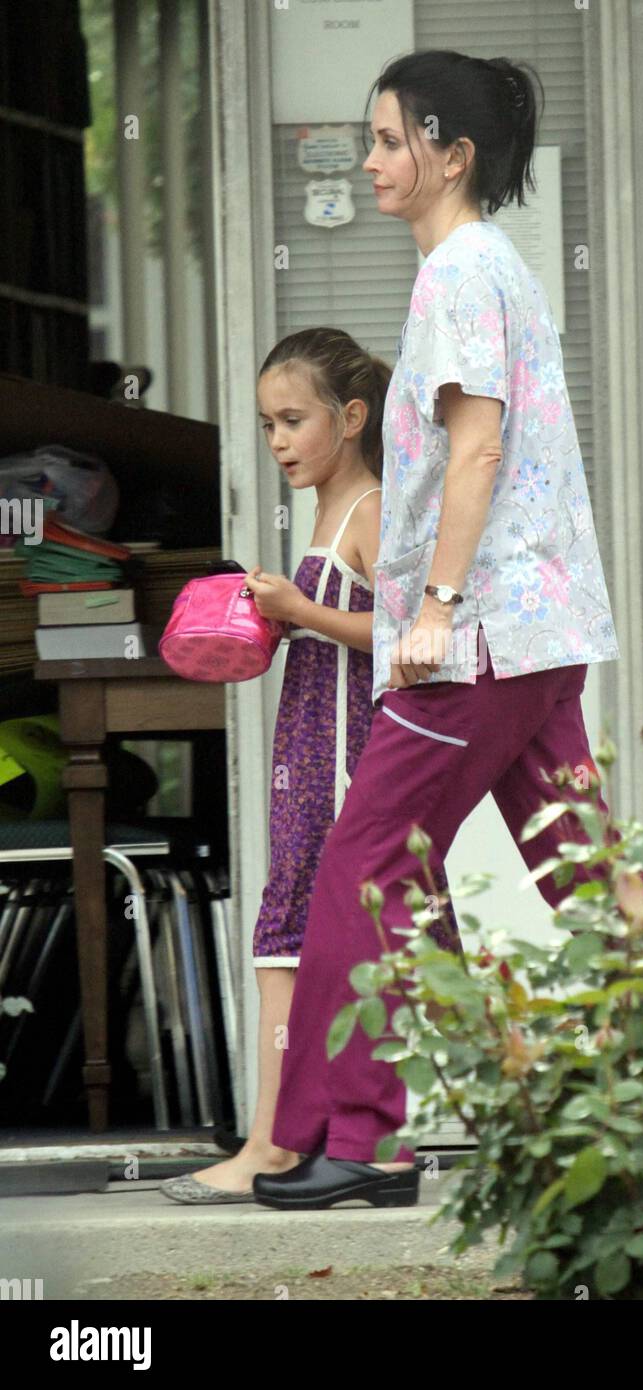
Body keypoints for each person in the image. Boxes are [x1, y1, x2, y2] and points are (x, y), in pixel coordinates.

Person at [253, 50, 643, 1214]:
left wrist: (432, 612)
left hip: (478, 641)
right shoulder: (495, 268)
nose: (374, 159)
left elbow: (477, 447)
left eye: (389, 140)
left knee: (363, 860)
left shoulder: (457, 274)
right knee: (587, 873)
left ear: (452, 153)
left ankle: (365, 1141)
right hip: (532, 638)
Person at [159, 327, 442, 1202]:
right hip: (306, 751)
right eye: (266, 425)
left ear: (352, 417)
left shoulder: (374, 510)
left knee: (299, 938)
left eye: (292, 421)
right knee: (317, 941)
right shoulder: (327, 508)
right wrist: (275, 617)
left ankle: (274, 1146)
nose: (277, 441)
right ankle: (303, 1136)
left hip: (347, 759)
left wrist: (302, 609)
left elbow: (408, 641)